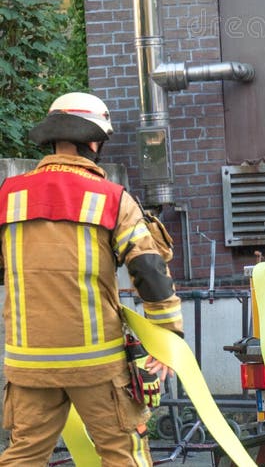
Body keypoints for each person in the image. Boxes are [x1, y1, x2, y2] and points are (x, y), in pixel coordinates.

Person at [0, 92, 183, 466]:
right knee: (122, 454)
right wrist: (167, 337)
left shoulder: (7, 197)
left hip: (29, 364)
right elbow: (148, 269)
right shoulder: (111, 198)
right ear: (94, 140)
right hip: (97, 365)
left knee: (24, 456)